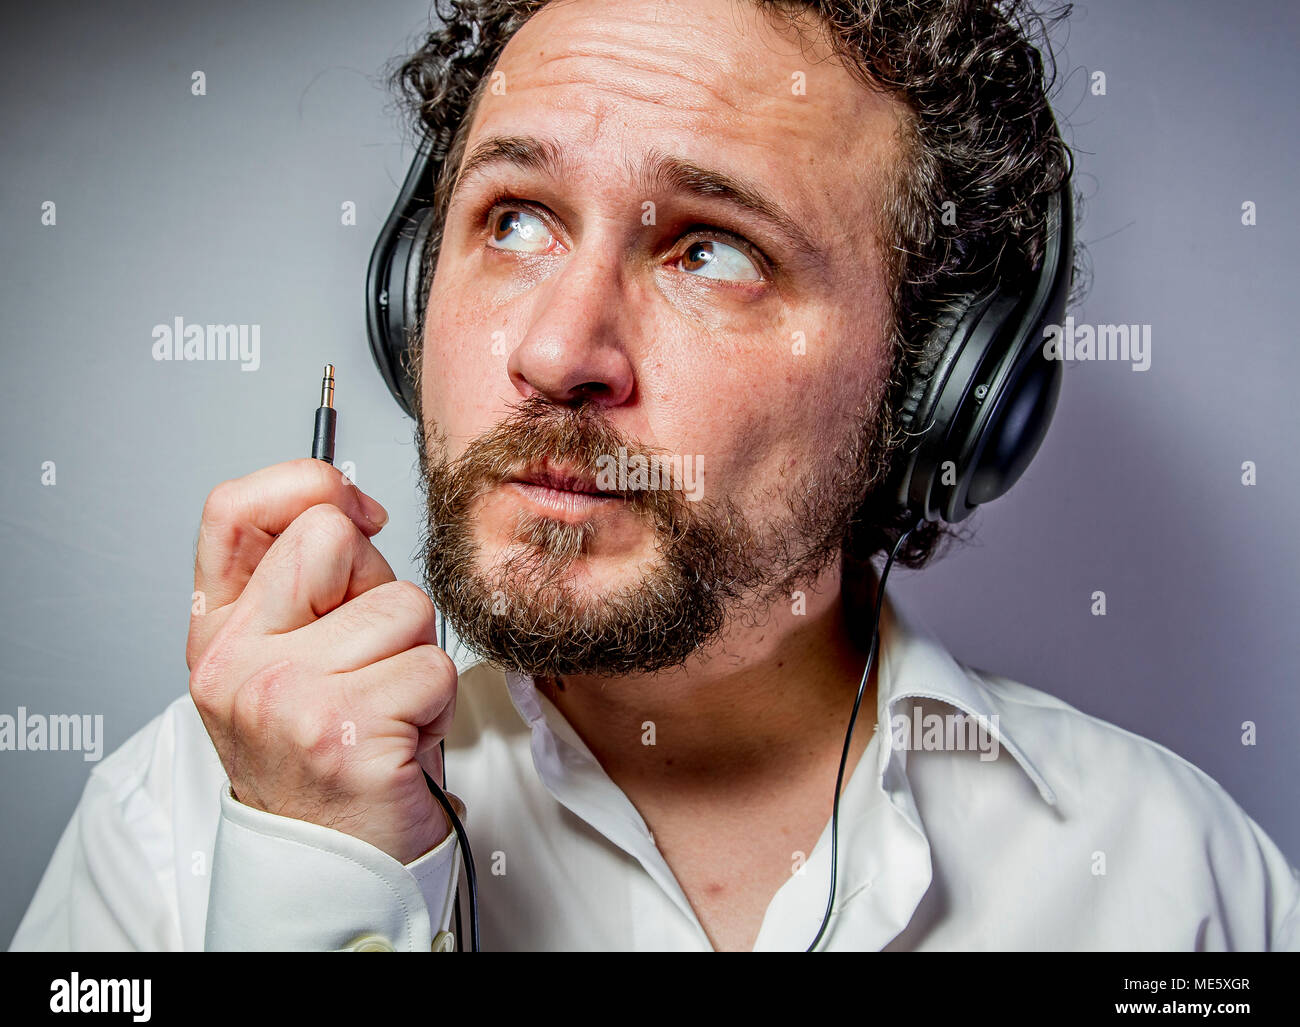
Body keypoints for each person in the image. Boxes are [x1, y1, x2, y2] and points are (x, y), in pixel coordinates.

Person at [11, 0, 1298, 952]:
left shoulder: (1175, 881)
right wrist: (305, 881)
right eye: (515, 219)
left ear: (932, 388)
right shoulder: (186, 818)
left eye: (711, 250)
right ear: (408, 289)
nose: (554, 352)